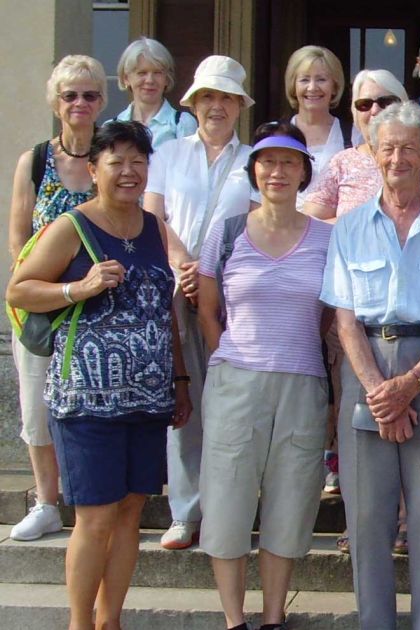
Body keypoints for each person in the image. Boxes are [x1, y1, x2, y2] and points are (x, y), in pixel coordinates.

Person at [6, 120, 190, 630]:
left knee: (132, 510)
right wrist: (78, 289)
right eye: (117, 162)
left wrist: (179, 381)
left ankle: (111, 620)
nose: (129, 172)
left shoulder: (155, 227)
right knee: (95, 514)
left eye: (138, 162)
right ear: (93, 170)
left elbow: (164, 313)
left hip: (148, 398)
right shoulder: (73, 226)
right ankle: (79, 624)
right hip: (86, 400)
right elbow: (20, 289)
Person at [321, 100, 420, 630]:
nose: (397, 158)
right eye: (386, 147)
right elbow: (344, 319)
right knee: (367, 517)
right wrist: (378, 392)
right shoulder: (349, 228)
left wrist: (411, 385)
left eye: (409, 148)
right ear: (371, 152)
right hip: (365, 367)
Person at [195, 121, 333, 630]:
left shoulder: (328, 238)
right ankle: (235, 620)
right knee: (228, 498)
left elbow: (330, 317)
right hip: (236, 380)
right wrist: (230, 357)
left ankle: (274, 617)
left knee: (292, 500)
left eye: (289, 162)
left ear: (303, 172)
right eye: (268, 161)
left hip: (303, 381)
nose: (277, 171)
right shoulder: (227, 231)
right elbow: (207, 311)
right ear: (254, 169)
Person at [144, 55, 259, 550]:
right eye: (208, 97)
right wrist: (185, 263)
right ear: (193, 104)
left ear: (238, 106)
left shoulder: (253, 158)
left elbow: (259, 224)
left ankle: (231, 509)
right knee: (184, 399)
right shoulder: (168, 153)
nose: (217, 107)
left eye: (226, 98)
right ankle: (185, 512)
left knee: (233, 402)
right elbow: (152, 214)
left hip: (232, 295)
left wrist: (212, 276)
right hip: (176, 288)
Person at [6, 54, 105, 542]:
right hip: (44, 303)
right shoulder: (37, 160)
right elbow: (18, 235)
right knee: (35, 405)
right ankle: (47, 500)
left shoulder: (109, 156)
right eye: (70, 95)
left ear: (103, 100)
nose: (80, 103)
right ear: (56, 102)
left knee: (89, 403)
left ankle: (88, 497)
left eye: (89, 94)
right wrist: (30, 291)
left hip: (100, 306)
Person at [303, 68, 420, 232]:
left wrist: (417, 227)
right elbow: (306, 224)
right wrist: (362, 224)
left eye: (386, 102)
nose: (375, 110)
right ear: (355, 111)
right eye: (364, 104)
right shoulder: (341, 163)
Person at [284, 45, 349, 205]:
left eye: (321, 79)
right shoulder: (275, 135)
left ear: (335, 86)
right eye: (304, 79)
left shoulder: (353, 137)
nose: (312, 87)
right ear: (293, 86)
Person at [111, 37, 198, 147]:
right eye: (142, 73)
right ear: (126, 78)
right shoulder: (112, 126)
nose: (150, 80)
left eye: (157, 73)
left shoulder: (182, 124)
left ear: (167, 78)